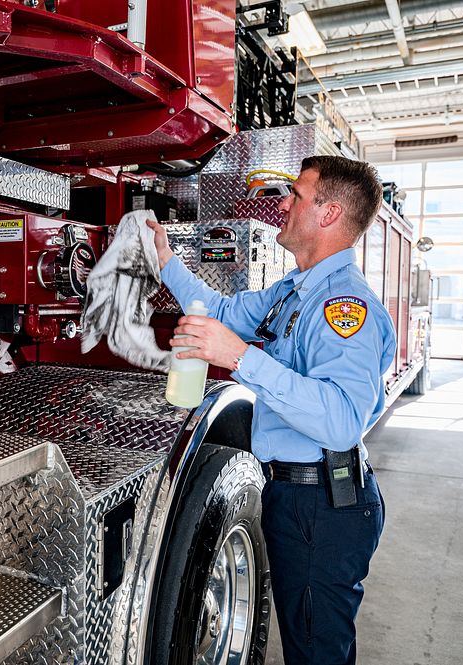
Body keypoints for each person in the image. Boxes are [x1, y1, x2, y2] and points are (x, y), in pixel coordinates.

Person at [147, 155, 395, 665]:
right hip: (295, 494)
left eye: (297, 196)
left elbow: (343, 419)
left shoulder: (344, 304)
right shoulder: (292, 290)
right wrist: (165, 260)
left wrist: (238, 357)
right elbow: (219, 313)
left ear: (327, 214)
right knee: (307, 641)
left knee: (315, 652)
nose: (282, 205)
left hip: (324, 506)